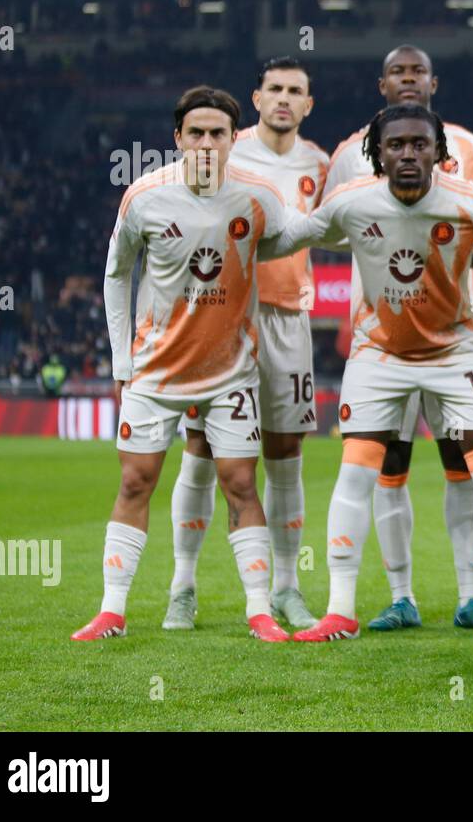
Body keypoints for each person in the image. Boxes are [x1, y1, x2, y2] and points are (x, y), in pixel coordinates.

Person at [263, 103, 473, 644]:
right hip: (380, 355)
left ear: (439, 153)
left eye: (420, 144)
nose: (409, 154)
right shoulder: (350, 203)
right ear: (377, 155)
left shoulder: (466, 202)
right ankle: (340, 610)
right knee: (357, 475)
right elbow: (290, 236)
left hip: (457, 352)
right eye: (396, 145)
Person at [72, 86, 292, 642]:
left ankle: (259, 610)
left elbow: (295, 241)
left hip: (231, 371)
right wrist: (122, 358)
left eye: (218, 132)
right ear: (177, 138)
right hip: (155, 370)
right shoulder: (143, 196)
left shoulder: (259, 198)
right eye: (196, 132)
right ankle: (112, 611)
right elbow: (117, 273)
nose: (206, 142)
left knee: (241, 482)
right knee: (136, 478)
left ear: (233, 139)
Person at [327, 45, 473, 631]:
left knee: (463, 464)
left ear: (433, 81)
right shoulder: (349, 155)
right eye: (397, 72)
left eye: (417, 71)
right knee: (387, 466)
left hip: (450, 333)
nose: (408, 80)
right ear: (381, 83)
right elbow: (334, 225)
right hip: (382, 336)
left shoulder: (471, 149)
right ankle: (402, 597)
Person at [163, 57, 328, 632]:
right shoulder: (223, 151)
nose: (284, 99)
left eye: (296, 91)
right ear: (256, 99)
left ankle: (286, 587)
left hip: (286, 324)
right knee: (203, 453)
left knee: (285, 456)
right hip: (222, 320)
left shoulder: (320, 164)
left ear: (310, 104)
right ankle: (182, 584)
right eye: (275, 89)